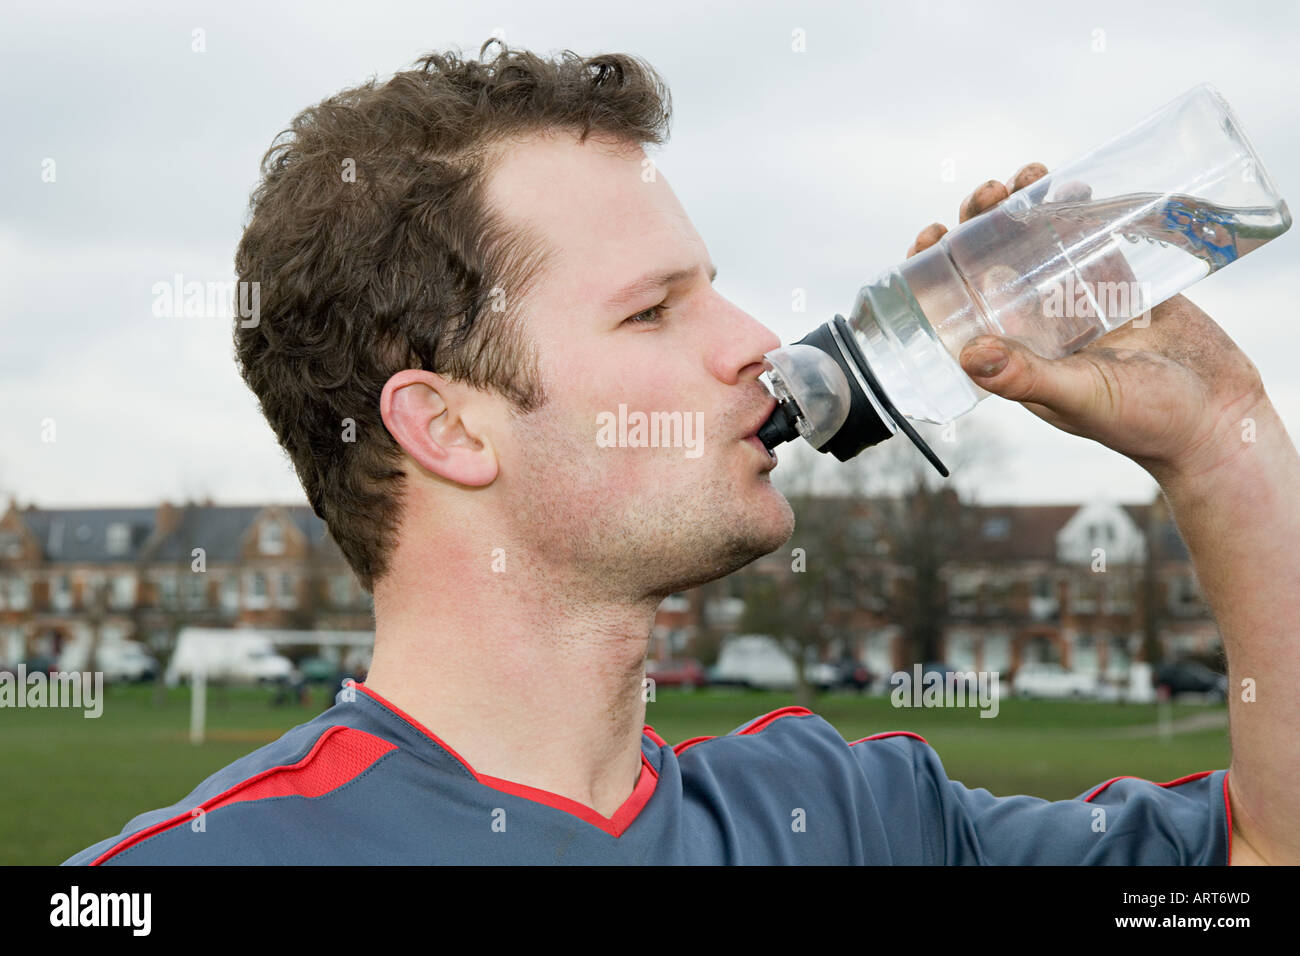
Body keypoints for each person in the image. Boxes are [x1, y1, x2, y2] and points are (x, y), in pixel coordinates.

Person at [63, 39, 1298, 864]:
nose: (756, 341)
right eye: (653, 309)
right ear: (445, 425)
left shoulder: (858, 820)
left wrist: (1221, 443)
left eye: (713, 289)